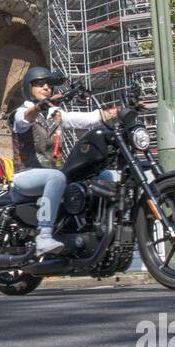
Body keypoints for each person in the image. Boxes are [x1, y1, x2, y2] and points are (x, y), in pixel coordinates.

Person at [10, 66, 123, 256]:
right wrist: (41, 105)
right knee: (56, 177)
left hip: (54, 175)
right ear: (28, 88)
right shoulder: (20, 113)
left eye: (48, 84)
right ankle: (44, 236)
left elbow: (91, 118)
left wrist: (122, 110)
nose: (46, 87)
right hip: (26, 175)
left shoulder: (57, 114)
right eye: (39, 84)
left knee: (103, 175)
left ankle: (100, 228)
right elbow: (27, 118)